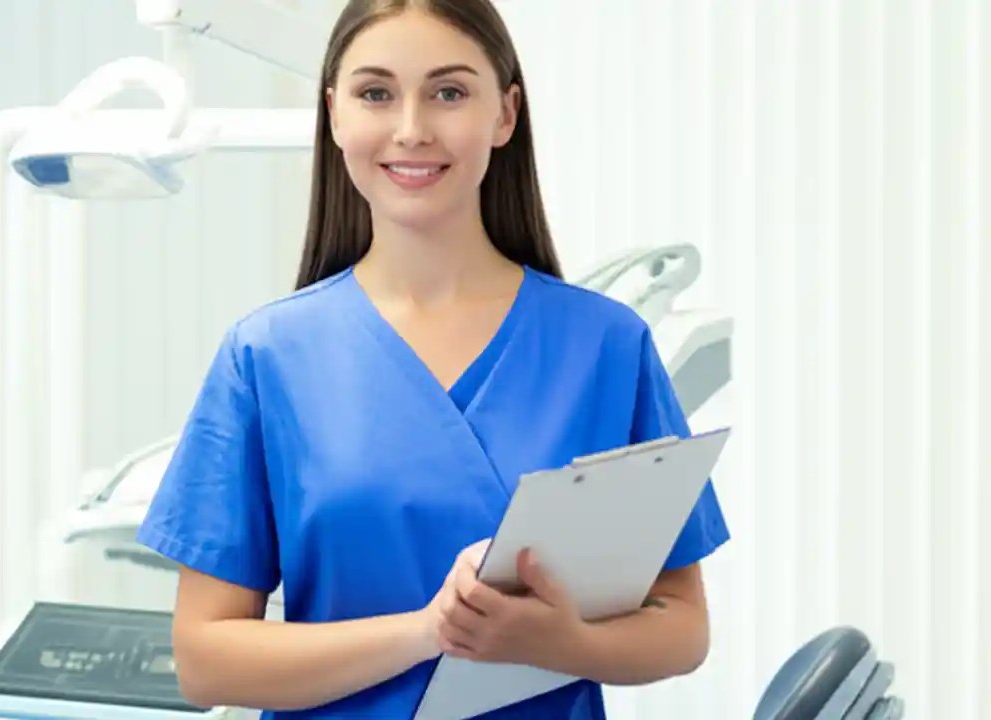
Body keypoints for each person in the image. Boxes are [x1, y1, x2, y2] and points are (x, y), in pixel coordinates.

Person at [135, 1, 730, 717]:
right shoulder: (267, 357)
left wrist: (561, 640)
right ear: (334, 114)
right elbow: (206, 660)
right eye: (375, 93)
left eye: (448, 92)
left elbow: (681, 627)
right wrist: (428, 633)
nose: (412, 129)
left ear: (505, 114)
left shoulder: (605, 345)